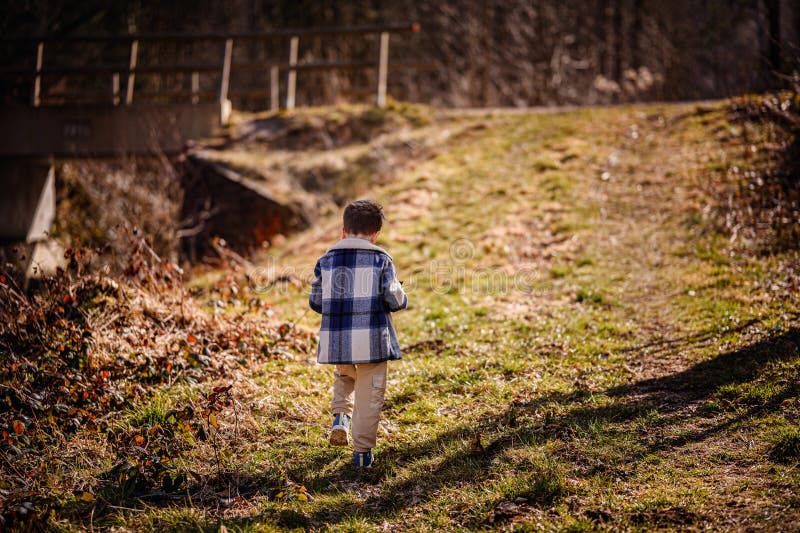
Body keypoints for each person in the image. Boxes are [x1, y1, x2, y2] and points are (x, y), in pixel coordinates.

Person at [309, 199, 408, 468]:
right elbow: (394, 300)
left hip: (339, 339)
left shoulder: (325, 260)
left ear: (343, 230)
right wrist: (401, 290)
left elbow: (316, 302)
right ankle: (362, 453)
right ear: (375, 235)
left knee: (344, 375)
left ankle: (340, 416)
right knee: (370, 393)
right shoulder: (381, 259)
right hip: (372, 341)